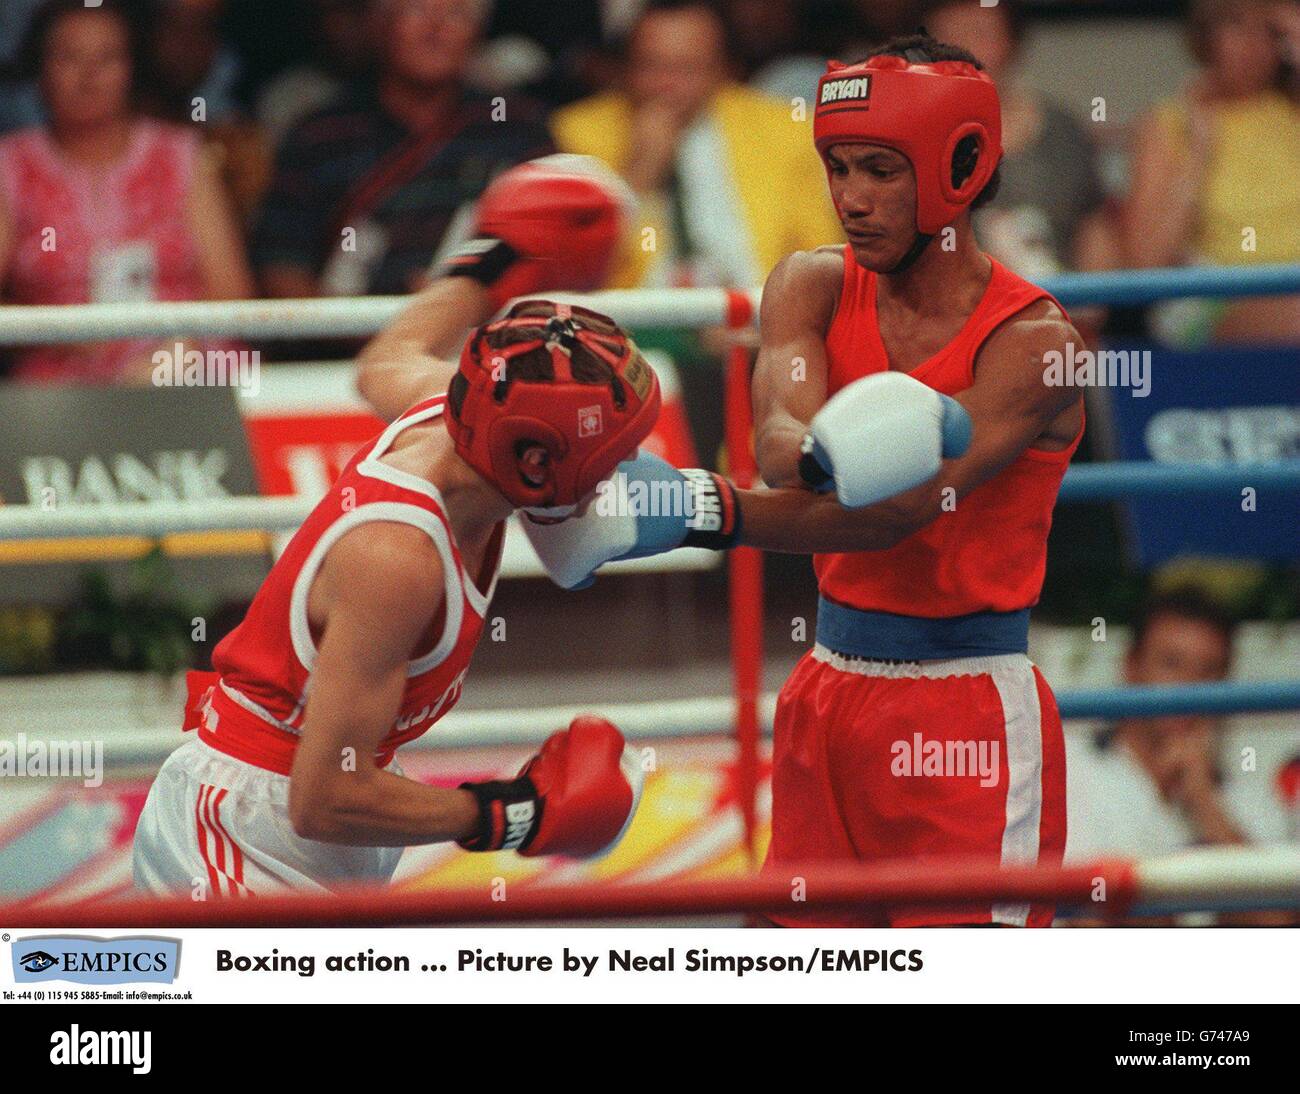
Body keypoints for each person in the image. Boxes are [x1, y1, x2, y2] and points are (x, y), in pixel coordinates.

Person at [533, 34, 1087, 928]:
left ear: (960, 167)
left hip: (964, 718)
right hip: (825, 689)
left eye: (879, 170)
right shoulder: (811, 285)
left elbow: (896, 514)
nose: (851, 199)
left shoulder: (1035, 347)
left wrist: (695, 507)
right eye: (836, 167)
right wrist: (815, 451)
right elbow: (782, 436)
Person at [132, 157, 653, 894]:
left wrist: (495, 257)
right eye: (612, 454)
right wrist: (510, 815)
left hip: (324, 812)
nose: (619, 476)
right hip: (247, 827)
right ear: (536, 462)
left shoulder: (458, 413)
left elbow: (386, 359)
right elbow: (325, 798)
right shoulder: (397, 557)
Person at [0, 0, 252, 383]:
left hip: (187, 370)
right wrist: (58, 330)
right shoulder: (11, 164)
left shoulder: (181, 154)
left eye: (108, 58)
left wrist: (176, 352)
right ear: (40, 69)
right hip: (57, 386)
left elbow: (232, 297)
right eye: (69, 57)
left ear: (133, 69)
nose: (89, 76)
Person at [251, 0, 553, 300]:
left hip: (489, 335)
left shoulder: (517, 129)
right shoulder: (319, 136)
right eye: (416, 9)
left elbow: (558, 254)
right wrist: (378, 331)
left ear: (479, 32)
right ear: (378, 24)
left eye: (457, 13)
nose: (436, 29)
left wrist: (463, 306)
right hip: (349, 338)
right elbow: (282, 267)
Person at [551, 0, 840, 290]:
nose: (667, 85)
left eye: (686, 68)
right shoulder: (576, 132)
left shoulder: (787, 130)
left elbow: (821, 256)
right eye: (651, 66)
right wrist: (638, 175)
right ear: (626, 67)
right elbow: (571, 272)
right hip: (635, 321)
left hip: (755, 314)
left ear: (722, 69)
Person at [1125, 0, 1300, 344]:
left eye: (1269, 30)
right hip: (1208, 297)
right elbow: (1144, 262)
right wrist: (1198, 156)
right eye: (1237, 25)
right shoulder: (1170, 123)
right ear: (1207, 34)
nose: (1253, 43)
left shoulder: (1292, 112)